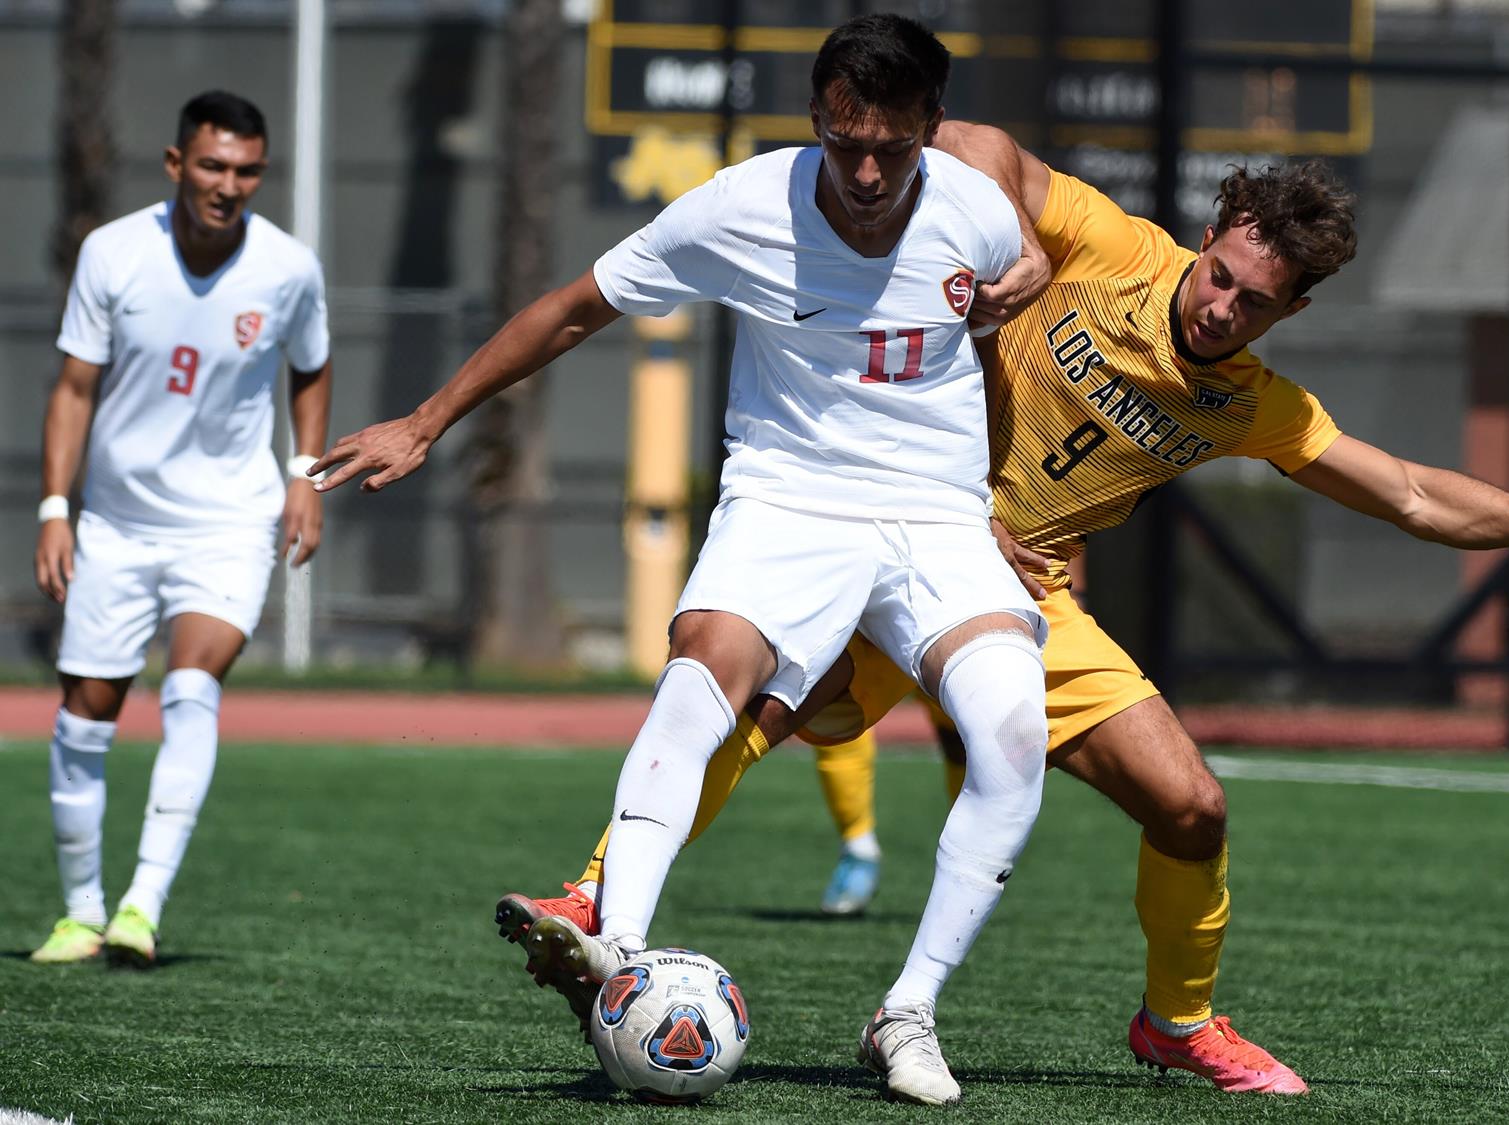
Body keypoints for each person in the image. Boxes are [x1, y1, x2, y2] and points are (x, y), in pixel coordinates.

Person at [501, 121, 1509, 1096]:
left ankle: (1175, 1022)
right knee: (748, 707)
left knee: (1192, 807)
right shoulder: (1105, 246)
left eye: (1253, 304)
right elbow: (966, 141)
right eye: (1219, 276)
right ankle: (597, 896)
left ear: (1287, 311)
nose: (1220, 309)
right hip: (882, 530)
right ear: (1206, 239)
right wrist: (1024, 262)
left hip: (1012, 601)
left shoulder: (1246, 402)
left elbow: (1407, 491)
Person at [315, 15, 1053, 1107]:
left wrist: (1029, 269)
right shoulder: (739, 208)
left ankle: (907, 1010)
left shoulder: (970, 206)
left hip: (936, 519)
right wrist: (426, 422)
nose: (862, 170)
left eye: (890, 149)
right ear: (814, 118)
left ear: (929, 132)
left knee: (1011, 733)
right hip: (788, 501)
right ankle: (619, 952)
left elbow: (1027, 258)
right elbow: (572, 311)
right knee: (703, 672)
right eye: (842, 140)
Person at [29, 90, 332, 969]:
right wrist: (57, 509)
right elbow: (73, 388)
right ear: (175, 165)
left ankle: (141, 904)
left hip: (229, 521)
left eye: (246, 171)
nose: (227, 185)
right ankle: (81, 912)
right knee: (86, 713)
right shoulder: (112, 253)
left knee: (193, 680)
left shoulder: (287, 268)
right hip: (117, 524)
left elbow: (312, 371)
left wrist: (303, 477)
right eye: (211, 166)